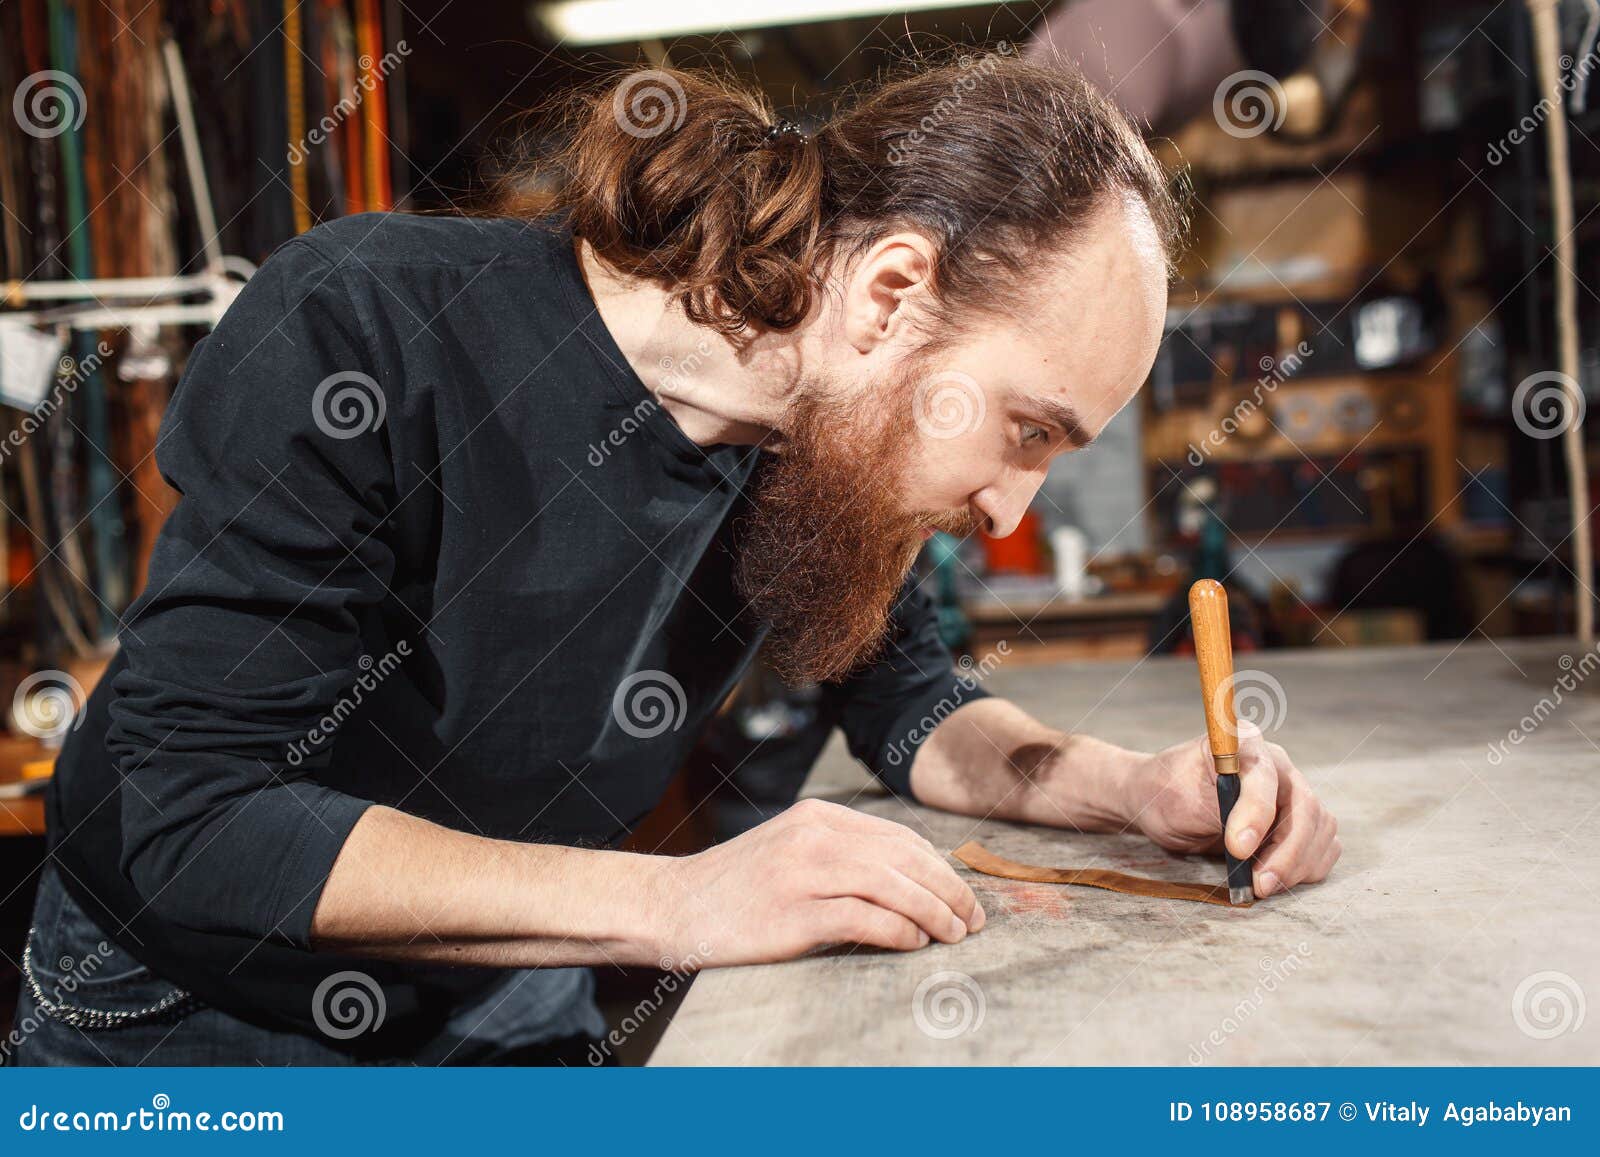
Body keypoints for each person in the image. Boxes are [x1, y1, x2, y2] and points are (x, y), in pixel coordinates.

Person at [11, 54, 1339, 1066]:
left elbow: (909, 704)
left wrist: (1132, 787)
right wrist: (683, 899)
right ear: (887, 291)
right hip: (191, 1004)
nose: (1008, 508)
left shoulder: (820, 455)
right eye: (1026, 427)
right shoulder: (366, 327)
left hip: (511, 959)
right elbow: (201, 823)